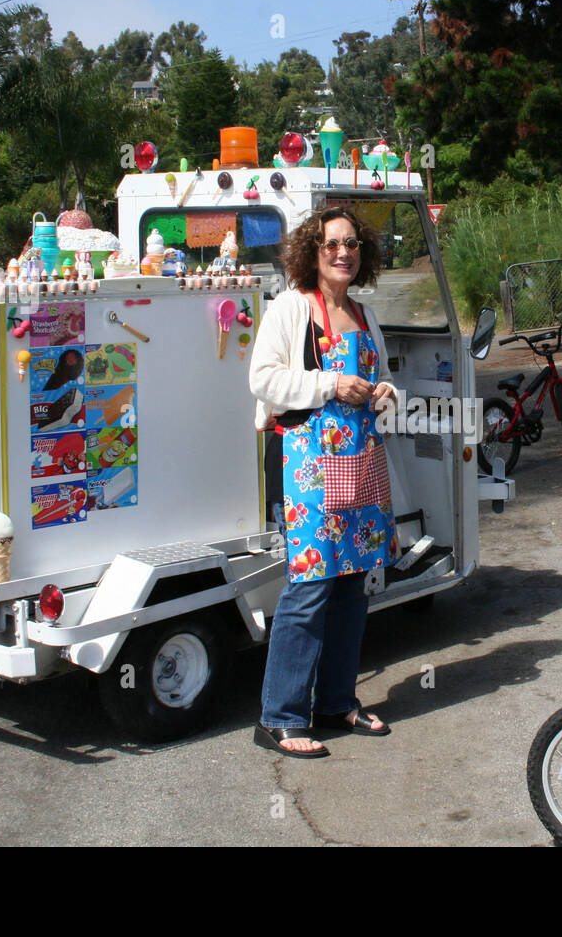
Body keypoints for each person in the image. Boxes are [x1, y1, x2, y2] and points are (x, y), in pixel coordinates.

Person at [248, 207, 398, 759]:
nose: (343, 252)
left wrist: (386, 393)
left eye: (352, 244)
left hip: (360, 467)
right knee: (309, 590)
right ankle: (281, 716)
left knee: (350, 590)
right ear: (312, 251)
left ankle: (336, 703)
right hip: (312, 469)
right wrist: (335, 383)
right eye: (332, 243)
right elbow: (261, 378)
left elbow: (385, 379)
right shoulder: (290, 308)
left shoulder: (363, 312)